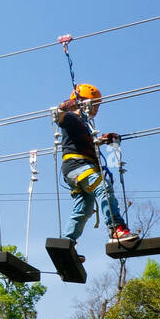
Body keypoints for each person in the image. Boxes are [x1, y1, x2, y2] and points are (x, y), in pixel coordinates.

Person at [50, 84, 137, 244]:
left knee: (84, 208)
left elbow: (86, 143)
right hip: (77, 165)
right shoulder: (71, 117)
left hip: (80, 167)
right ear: (81, 101)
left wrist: (103, 140)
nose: (96, 109)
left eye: (98, 105)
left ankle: (67, 243)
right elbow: (58, 116)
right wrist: (65, 106)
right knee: (103, 187)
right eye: (94, 104)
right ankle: (116, 228)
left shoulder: (85, 125)